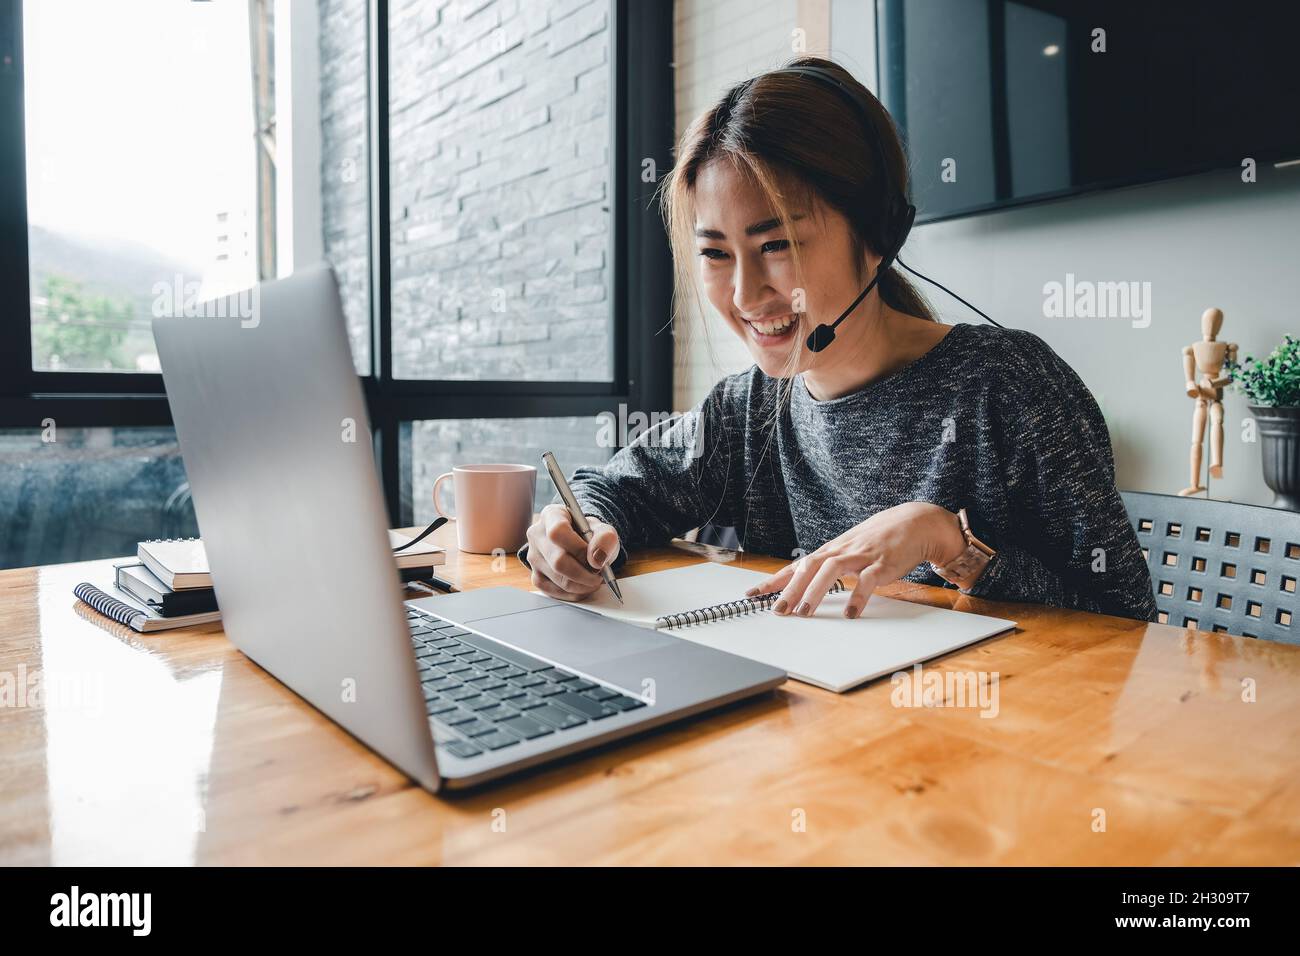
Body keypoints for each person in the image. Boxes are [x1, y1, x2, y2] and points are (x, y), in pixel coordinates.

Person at [521, 56, 1157, 624]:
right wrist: (574, 529)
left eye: (778, 245)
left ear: (878, 233)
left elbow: (1129, 623)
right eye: (716, 253)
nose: (744, 295)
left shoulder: (1009, 386)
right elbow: (615, 489)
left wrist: (953, 546)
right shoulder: (746, 409)